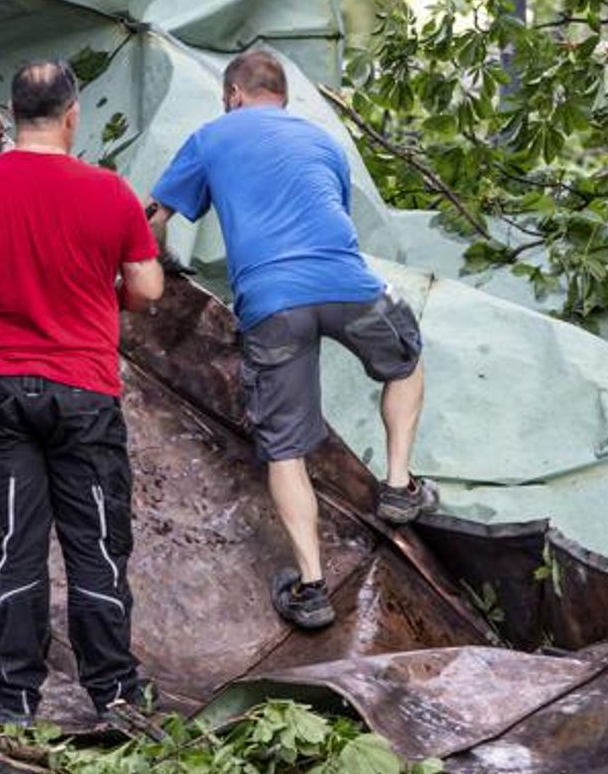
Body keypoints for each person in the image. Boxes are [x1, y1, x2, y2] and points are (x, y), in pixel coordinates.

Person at [0, 61, 165, 728]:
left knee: (15, 539)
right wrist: (112, 290)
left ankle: (13, 693)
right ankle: (116, 693)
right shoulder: (111, 192)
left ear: (15, 114)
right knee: (96, 541)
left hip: (2, 390)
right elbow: (149, 290)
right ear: (73, 115)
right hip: (85, 392)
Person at [147, 48, 434, 632]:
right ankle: (400, 485)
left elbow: (152, 219)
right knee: (405, 359)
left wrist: (164, 263)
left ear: (232, 94)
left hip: (272, 304)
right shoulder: (322, 141)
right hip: (348, 285)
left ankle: (311, 587)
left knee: (285, 448)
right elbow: (330, 215)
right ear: (283, 96)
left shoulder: (213, 136)